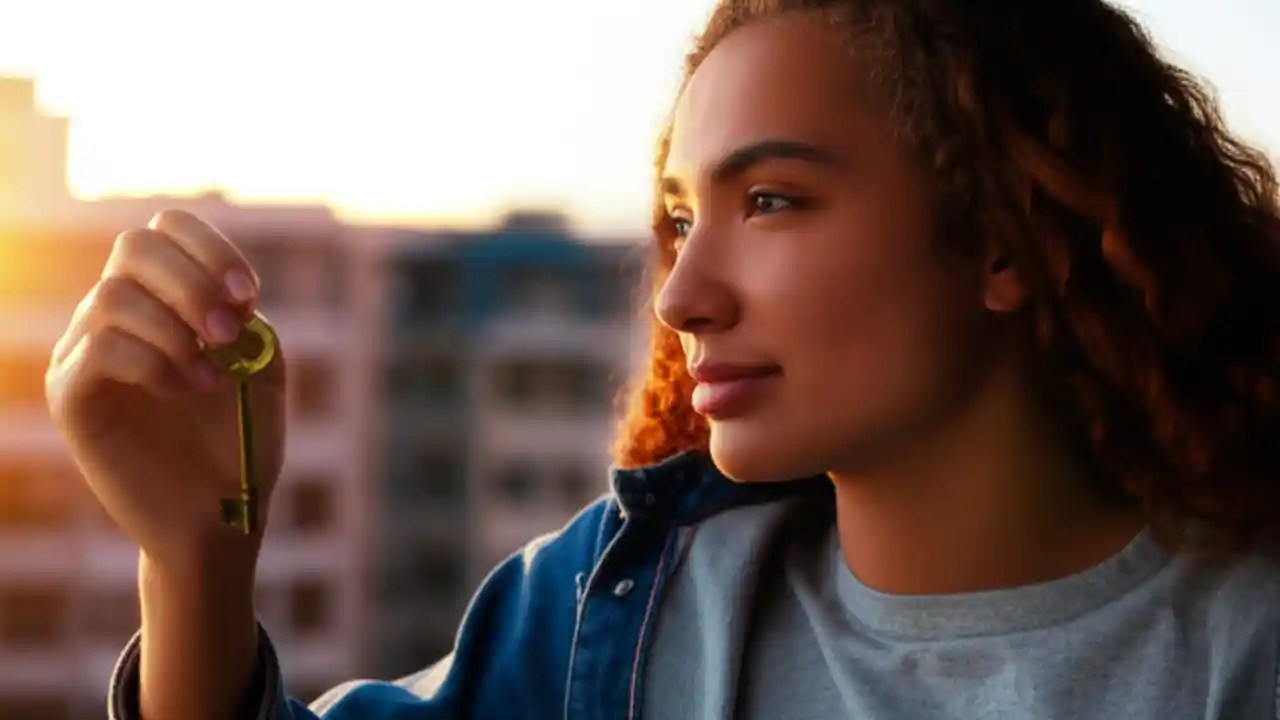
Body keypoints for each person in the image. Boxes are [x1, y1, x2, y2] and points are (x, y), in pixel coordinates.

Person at [44, 0, 1279, 718]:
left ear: (1003, 238)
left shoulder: (1242, 643)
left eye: (775, 201)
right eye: (681, 219)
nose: (682, 296)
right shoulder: (603, 608)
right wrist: (198, 557)